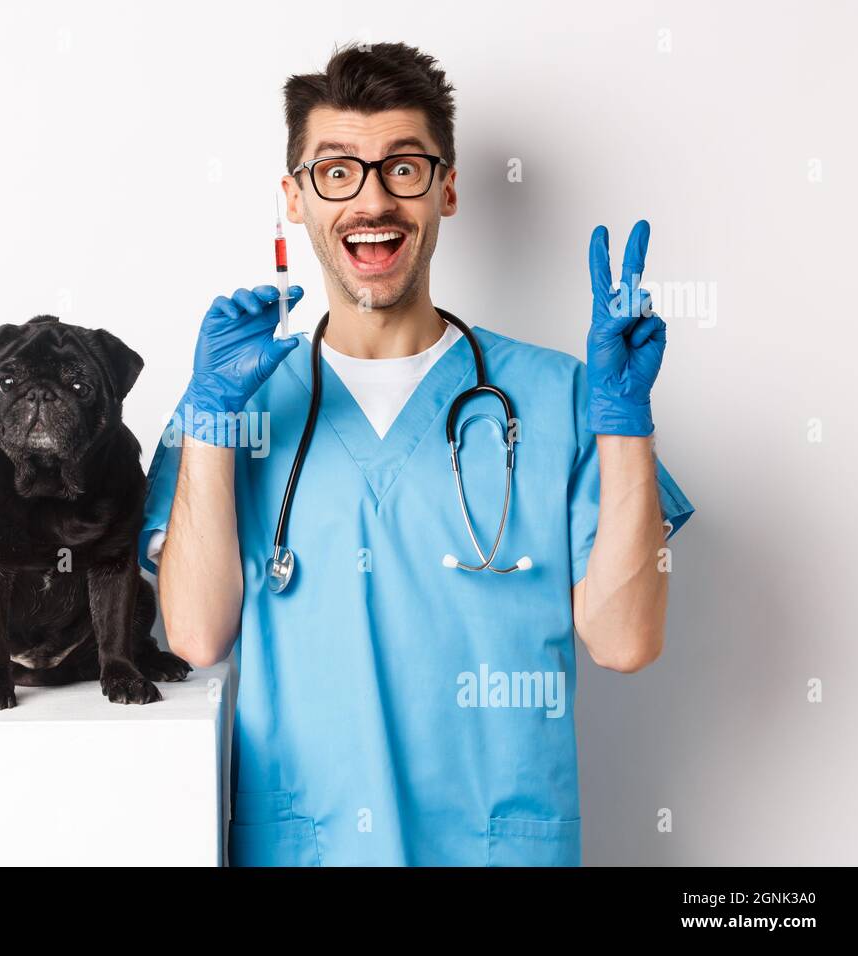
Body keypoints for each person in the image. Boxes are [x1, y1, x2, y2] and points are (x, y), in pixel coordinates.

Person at [138, 41, 695, 866]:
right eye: (336, 172)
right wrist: (214, 419)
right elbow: (194, 634)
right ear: (294, 198)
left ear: (448, 188)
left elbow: (624, 642)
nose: (372, 199)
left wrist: (623, 422)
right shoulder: (232, 406)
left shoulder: (563, 397)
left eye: (403, 168)